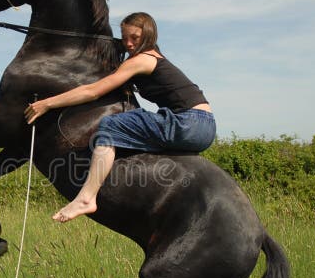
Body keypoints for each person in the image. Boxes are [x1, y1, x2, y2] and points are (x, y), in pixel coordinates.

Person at [24, 12, 215, 223]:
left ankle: (86, 198)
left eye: (135, 37)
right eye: (124, 38)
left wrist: (47, 103)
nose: (129, 43)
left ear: (149, 35)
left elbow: (92, 92)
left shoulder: (143, 59)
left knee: (110, 125)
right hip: (204, 127)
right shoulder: (153, 57)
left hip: (189, 122)